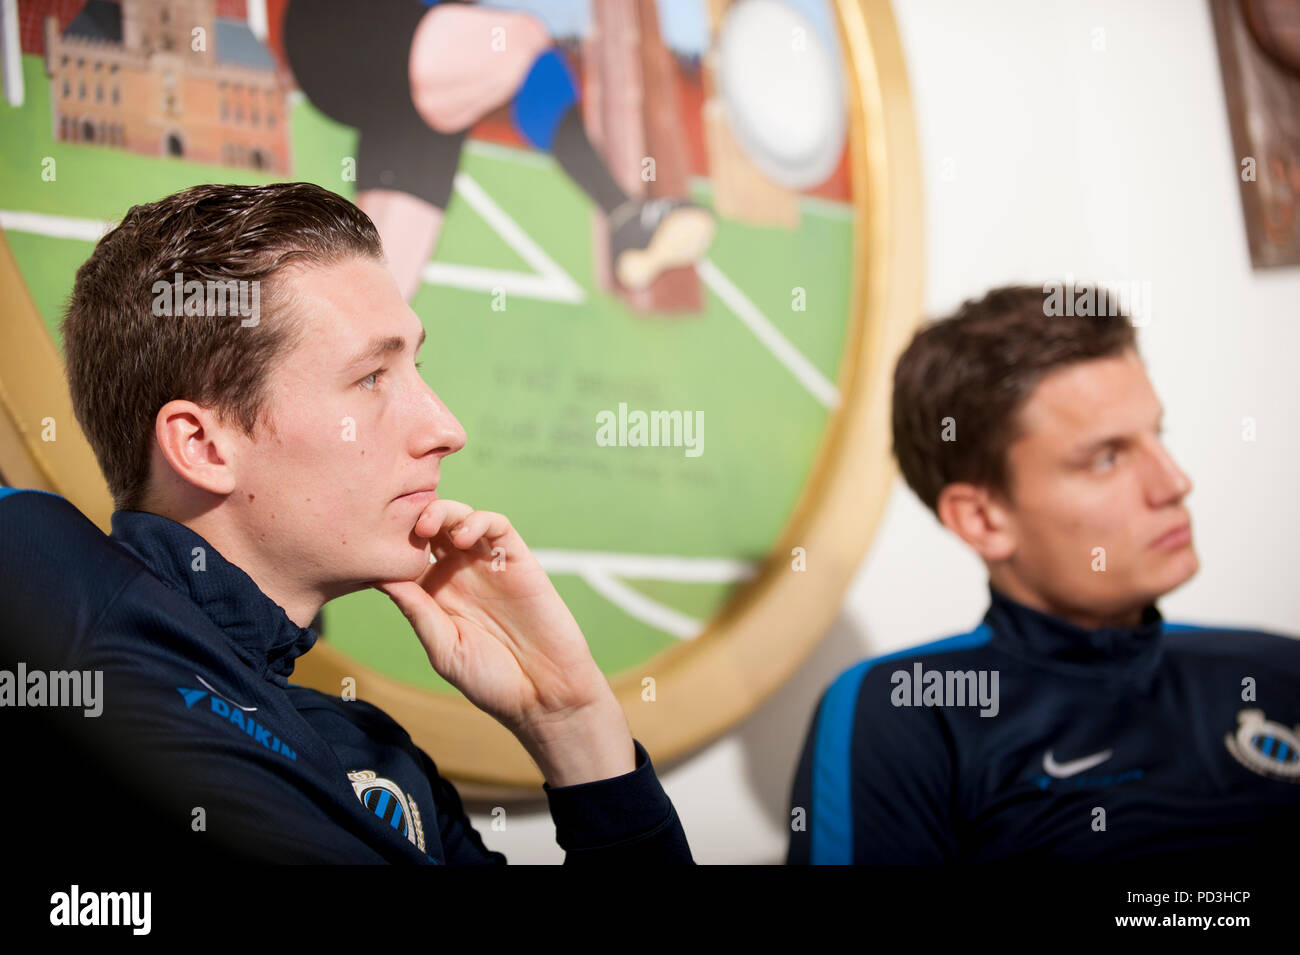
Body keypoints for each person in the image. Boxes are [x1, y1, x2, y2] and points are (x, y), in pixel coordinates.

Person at [0, 180, 692, 864]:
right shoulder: (59, 597)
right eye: (371, 378)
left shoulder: (379, 756)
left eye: (415, 366)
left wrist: (570, 721)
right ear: (203, 447)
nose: (447, 429)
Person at [787, 284, 1300, 864]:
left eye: (1158, 436)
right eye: (1106, 458)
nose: (1175, 483)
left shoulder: (1276, 668)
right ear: (983, 519)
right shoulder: (907, 713)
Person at [274, 0, 716, 301]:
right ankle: (625, 216)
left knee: (383, 300)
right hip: (348, 26)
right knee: (521, 39)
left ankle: (626, 221)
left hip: (410, 82)